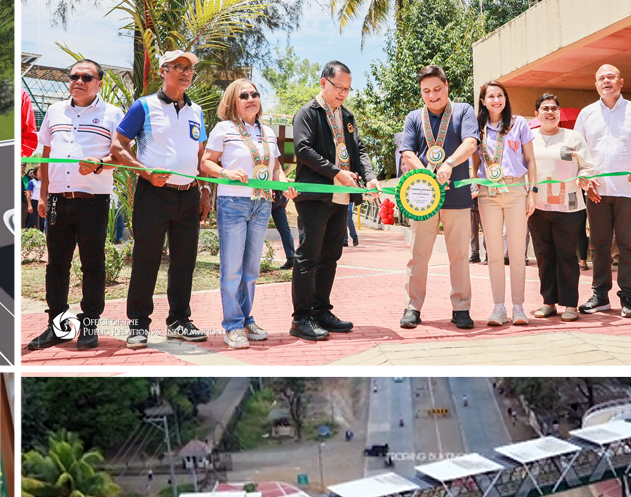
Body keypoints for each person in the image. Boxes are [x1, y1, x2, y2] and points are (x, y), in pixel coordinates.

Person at [112, 49, 211, 348]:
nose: (185, 73)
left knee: (184, 262)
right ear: (163, 70)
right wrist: (144, 173)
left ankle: (179, 320)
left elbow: (201, 155)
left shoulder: (196, 111)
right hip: (153, 195)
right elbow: (118, 145)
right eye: (178, 67)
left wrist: (204, 191)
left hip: (189, 196)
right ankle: (139, 324)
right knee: (146, 260)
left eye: (189, 69)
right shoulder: (144, 106)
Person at [28, 59, 124, 352]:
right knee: (56, 265)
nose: (78, 81)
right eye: (73, 76)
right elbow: (45, 155)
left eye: (86, 76)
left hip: (93, 202)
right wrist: (44, 196)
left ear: (99, 83)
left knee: (92, 265)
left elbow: (121, 157)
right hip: (57, 201)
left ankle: (89, 326)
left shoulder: (112, 114)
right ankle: (57, 327)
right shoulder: (55, 111)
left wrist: (98, 165)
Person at [201, 77, 296, 348]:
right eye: (244, 95)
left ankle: (246, 318)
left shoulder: (267, 132)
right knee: (232, 268)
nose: (251, 98)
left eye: (255, 94)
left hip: (262, 203)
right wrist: (225, 172)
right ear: (233, 101)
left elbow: (275, 168)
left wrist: (285, 183)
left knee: (251, 269)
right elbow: (206, 162)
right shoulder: (224, 128)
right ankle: (232, 325)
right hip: (233, 203)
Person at [290, 60, 379, 341]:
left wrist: (371, 176)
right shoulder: (308, 113)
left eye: (348, 89)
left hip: (341, 197)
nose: (343, 93)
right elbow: (302, 150)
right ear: (323, 82)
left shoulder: (347, 116)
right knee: (308, 257)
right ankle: (301, 318)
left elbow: (359, 149)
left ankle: (321, 311)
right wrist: (336, 172)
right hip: (316, 195)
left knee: (330, 257)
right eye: (339, 87)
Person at [398, 65, 481, 330]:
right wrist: (426, 176)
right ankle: (413, 306)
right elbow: (407, 152)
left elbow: (471, 143)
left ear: (446, 86)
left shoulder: (463, 110)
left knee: (459, 254)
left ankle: (461, 307)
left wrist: (448, 164)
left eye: (436, 89)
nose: (432, 95)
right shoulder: (413, 117)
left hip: (456, 195)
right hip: (423, 198)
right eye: (426, 91)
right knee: (418, 255)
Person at [577, 64, 631, 317]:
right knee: (599, 246)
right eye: (601, 78)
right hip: (596, 191)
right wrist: (585, 179)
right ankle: (600, 296)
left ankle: (628, 298)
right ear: (596, 85)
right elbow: (578, 152)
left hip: (630, 191)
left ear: (621, 82)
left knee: (629, 246)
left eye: (611, 77)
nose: (606, 81)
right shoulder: (587, 113)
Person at [473, 81, 536, 325]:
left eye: (500, 95)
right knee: (495, 253)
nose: (496, 100)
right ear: (483, 101)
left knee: (518, 252)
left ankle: (518, 307)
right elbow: (475, 161)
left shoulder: (519, 123)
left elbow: (531, 160)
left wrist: (533, 192)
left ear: (506, 98)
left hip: (516, 188)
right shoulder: (478, 127)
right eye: (491, 96)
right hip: (488, 192)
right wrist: (477, 185)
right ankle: (498, 307)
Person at [528, 93, 594, 321]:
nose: (550, 112)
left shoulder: (574, 137)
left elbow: (587, 167)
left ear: (559, 112)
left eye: (554, 108)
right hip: (537, 207)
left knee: (567, 256)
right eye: (545, 108)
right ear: (537, 114)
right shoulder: (529, 137)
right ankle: (548, 302)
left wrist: (583, 177)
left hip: (569, 207)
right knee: (544, 256)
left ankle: (569, 304)